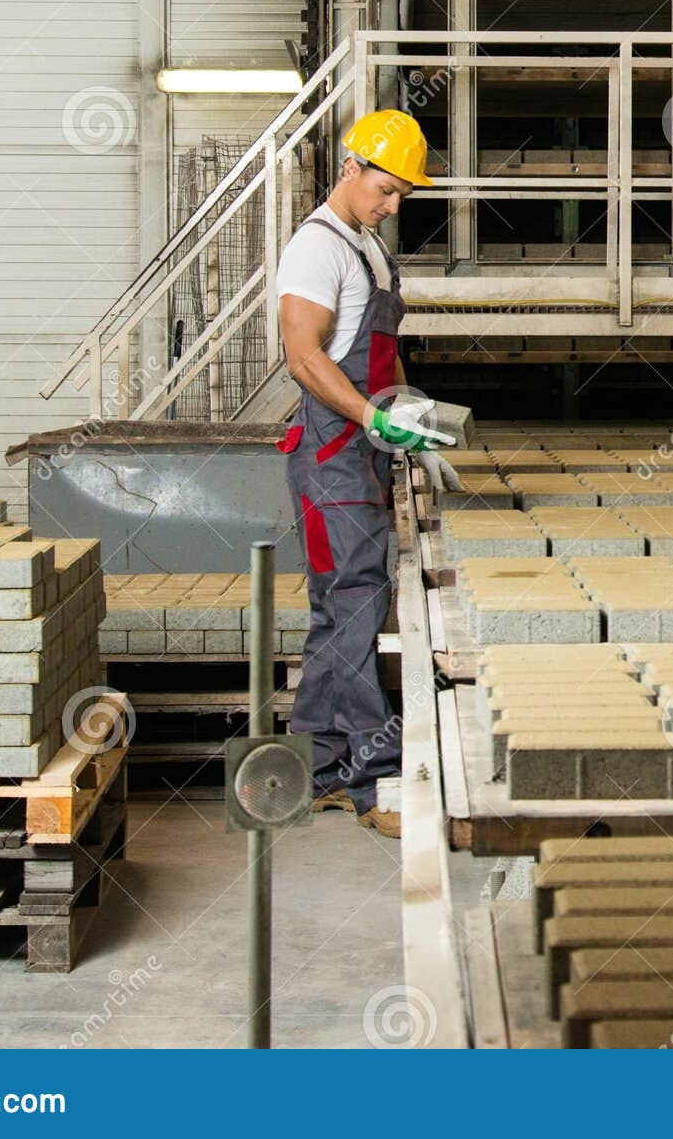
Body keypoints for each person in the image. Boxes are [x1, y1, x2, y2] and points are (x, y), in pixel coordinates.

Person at [275, 109, 448, 837]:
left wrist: (414, 417)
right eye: (384, 189)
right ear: (350, 169)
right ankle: (375, 781)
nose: (392, 205)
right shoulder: (318, 250)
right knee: (355, 603)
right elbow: (305, 356)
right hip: (331, 456)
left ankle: (316, 771)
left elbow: (381, 353)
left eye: (403, 194)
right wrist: (370, 418)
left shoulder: (368, 247)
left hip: (363, 450)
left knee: (340, 612)